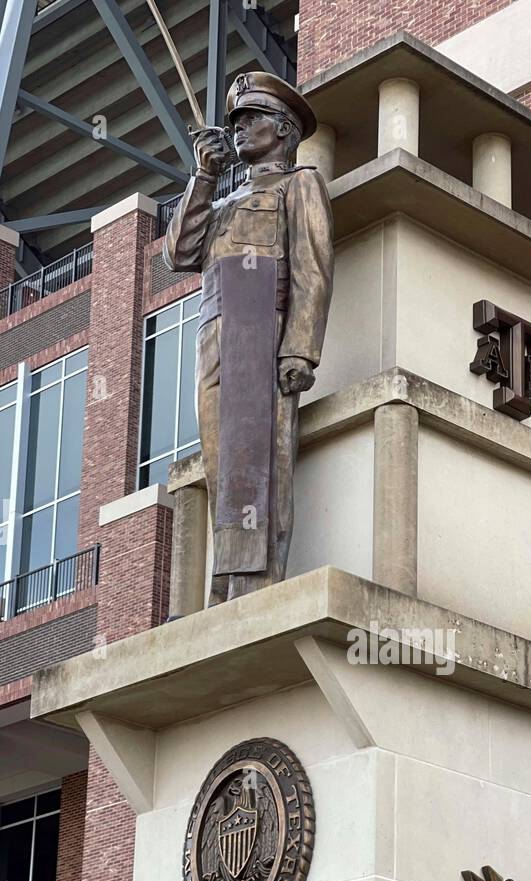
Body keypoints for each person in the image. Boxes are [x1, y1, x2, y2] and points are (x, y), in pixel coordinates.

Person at [164, 72, 334, 603]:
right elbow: (179, 254)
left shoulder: (298, 184)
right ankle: (224, 579)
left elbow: (314, 268)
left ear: (283, 129)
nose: (240, 129)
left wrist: (299, 348)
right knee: (222, 458)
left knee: (263, 454)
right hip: (215, 332)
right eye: (236, 121)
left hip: (262, 323)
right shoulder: (219, 201)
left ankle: (257, 579)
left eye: (252, 119)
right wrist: (204, 177)